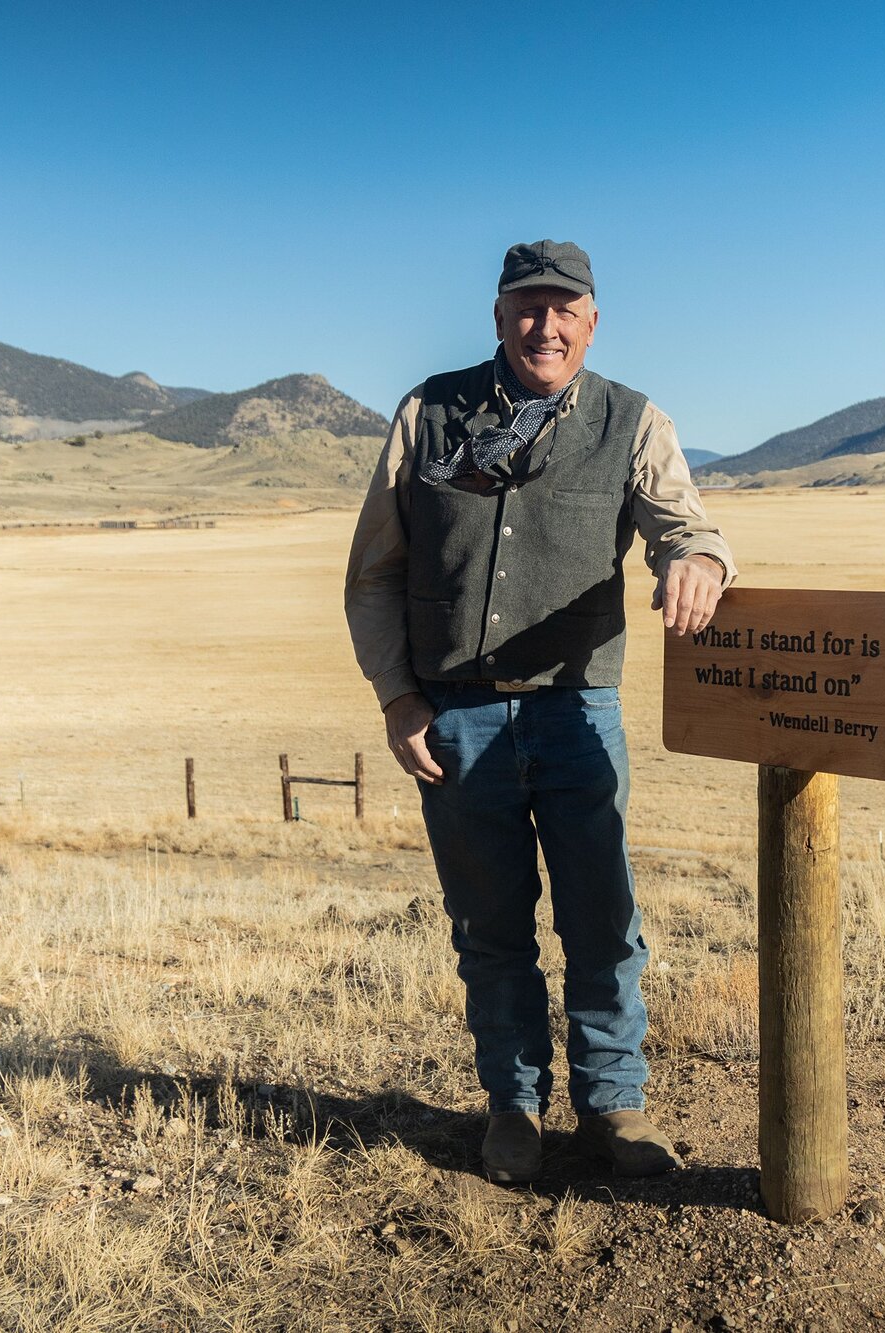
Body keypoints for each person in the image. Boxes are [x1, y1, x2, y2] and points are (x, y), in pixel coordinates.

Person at [344, 239, 735, 1183]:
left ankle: (615, 1106)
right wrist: (400, 696)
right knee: (489, 927)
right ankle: (513, 1106)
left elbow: (684, 523)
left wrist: (701, 562)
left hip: (577, 712)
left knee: (603, 920)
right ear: (498, 316)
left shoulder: (633, 421)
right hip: (458, 719)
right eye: (527, 306)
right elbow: (374, 575)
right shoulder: (426, 413)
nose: (544, 326)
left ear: (592, 322)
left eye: (564, 309)